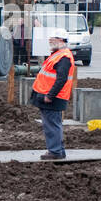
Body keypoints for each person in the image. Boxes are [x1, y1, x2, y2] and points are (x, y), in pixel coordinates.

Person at [29, 29, 76, 161]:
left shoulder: (63, 57)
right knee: (53, 123)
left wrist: (50, 95)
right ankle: (58, 150)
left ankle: (55, 151)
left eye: (53, 38)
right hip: (49, 96)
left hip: (52, 98)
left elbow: (61, 79)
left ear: (61, 40)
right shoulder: (59, 54)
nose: (50, 40)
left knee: (52, 125)